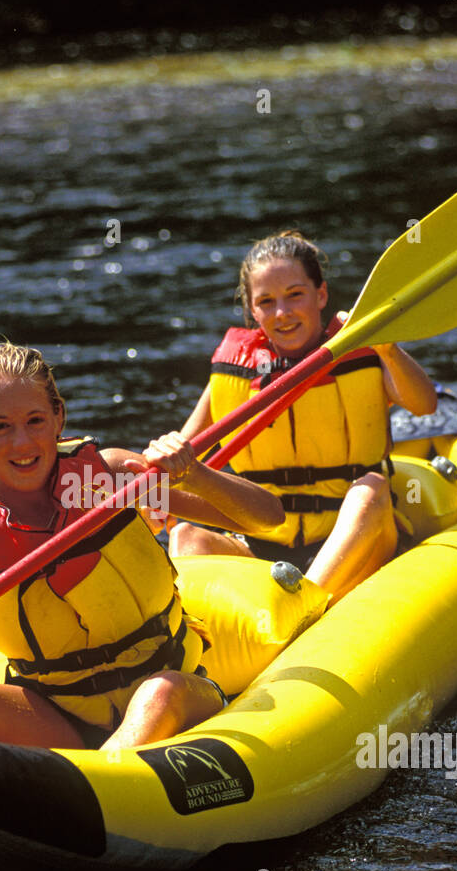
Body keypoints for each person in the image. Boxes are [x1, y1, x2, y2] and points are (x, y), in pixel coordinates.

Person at [0, 342, 284, 751]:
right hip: (60, 720)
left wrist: (194, 474)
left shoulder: (112, 480)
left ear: (59, 418)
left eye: (36, 420)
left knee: (159, 692)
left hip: (178, 692)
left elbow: (266, 518)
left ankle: (102, 789)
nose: (22, 443)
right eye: (0, 427)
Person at [172, 230, 437, 602]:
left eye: (295, 295)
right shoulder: (238, 370)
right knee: (186, 537)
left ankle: (306, 604)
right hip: (260, 544)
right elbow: (188, 451)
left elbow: (425, 404)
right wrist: (160, 489)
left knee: (371, 488)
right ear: (252, 310)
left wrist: (389, 349)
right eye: (266, 301)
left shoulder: (361, 354)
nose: (283, 312)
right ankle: (203, 638)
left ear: (321, 295)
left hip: (353, 537)